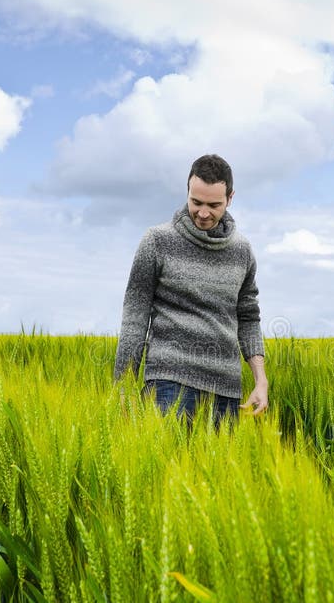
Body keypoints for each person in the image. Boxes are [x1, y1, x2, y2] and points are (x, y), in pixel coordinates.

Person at [114, 153, 268, 422]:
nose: (203, 213)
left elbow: (248, 317)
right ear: (187, 190)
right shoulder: (157, 241)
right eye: (196, 202)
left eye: (214, 204)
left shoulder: (242, 251)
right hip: (167, 385)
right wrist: (123, 385)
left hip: (226, 391)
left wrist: (260, 380)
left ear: (230, 198)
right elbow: (135, 317)